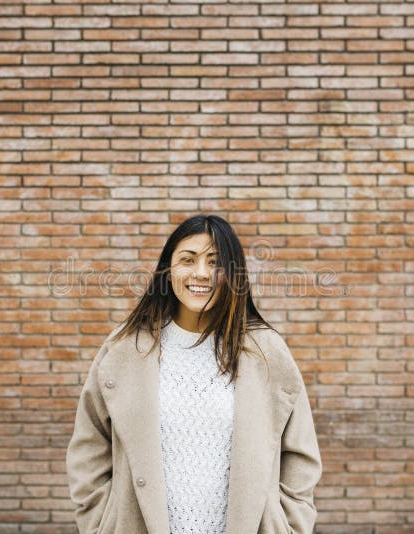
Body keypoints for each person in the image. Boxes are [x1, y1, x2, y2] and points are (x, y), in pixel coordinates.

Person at [66, 214, 322, 534]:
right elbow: (89, 446)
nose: (201, 273)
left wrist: (289, 525)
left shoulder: (266, 352)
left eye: (215, 262)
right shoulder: (125, 349)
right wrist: (100, 523)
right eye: (188, 260)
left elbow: (301, 455)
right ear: (168, 270)